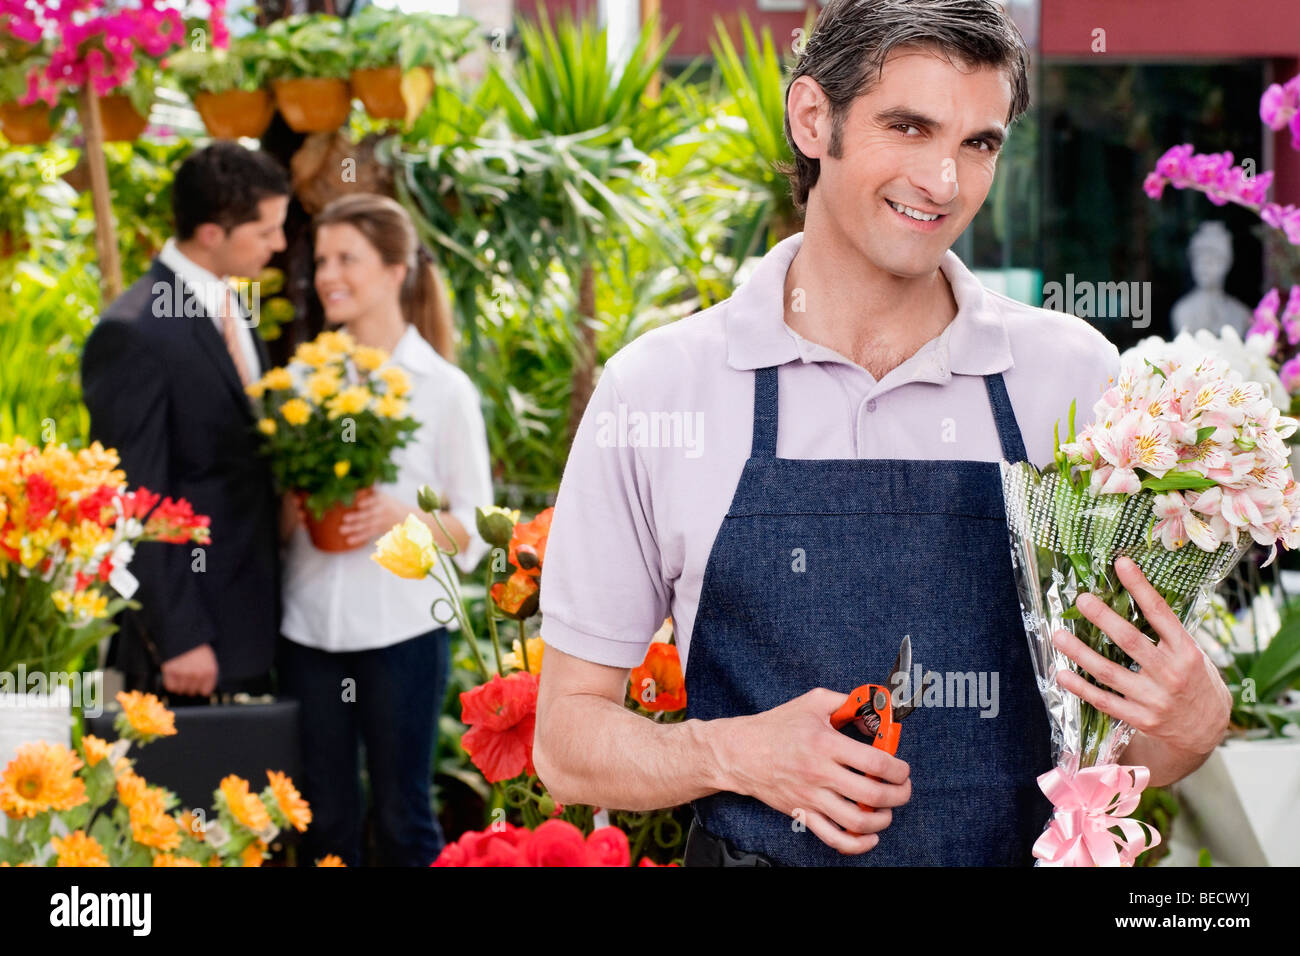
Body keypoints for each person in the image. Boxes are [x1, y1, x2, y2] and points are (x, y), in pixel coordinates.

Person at [532, 0, 1233, 866]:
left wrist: (1196, 721)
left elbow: (1131, 754)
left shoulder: (1074, 380)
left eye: (980, 142)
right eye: (909, 126)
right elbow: (566, 740)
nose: (944, 180)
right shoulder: (659, 388)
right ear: (812, 117)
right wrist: (728, 753)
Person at [275, 193, 494, 867]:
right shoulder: (306, 377)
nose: (327, 275)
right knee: (323, 822)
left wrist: (406, 518)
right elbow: (281, 519)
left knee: (404, 819)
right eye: (320, 261)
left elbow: (476, 528)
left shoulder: (442, 388)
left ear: (397, 270)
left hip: (402, 634)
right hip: (309, 629)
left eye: (347, 259)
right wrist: (301, 506)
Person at [81, 141, 290, 703]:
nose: (280, 244)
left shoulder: (234, 306)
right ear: (211, 232)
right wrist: (179, 637)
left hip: (254, 625)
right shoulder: (133, 332)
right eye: (266, 230)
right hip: (190, 648)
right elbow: (135, 497)